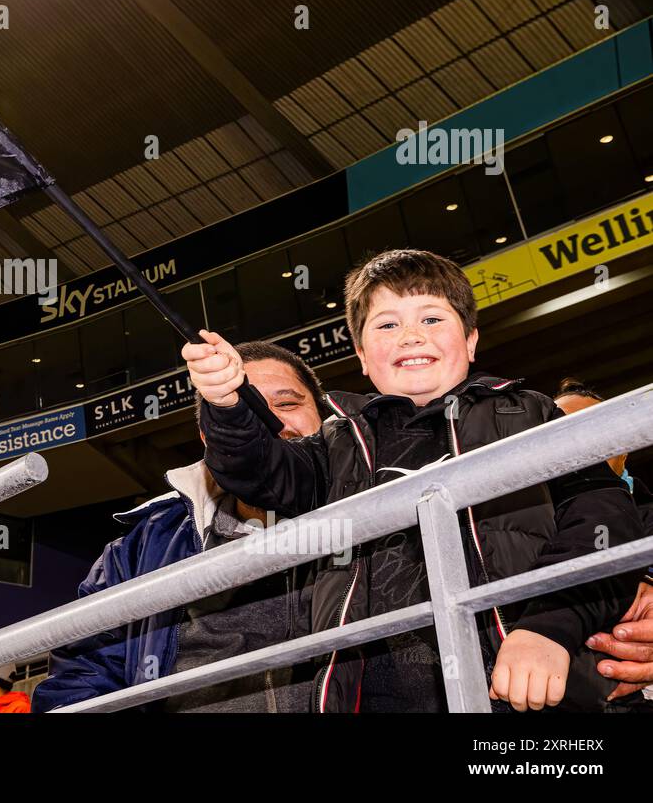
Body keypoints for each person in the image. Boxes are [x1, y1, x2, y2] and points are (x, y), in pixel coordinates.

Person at [185, 248, 645, 712]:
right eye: (386, 325)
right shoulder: (336, 442)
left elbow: (601, 520)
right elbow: (259, 472)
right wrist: (227, 404)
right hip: (371, 694)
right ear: (362, 357)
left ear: (469, 341)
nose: (409, 336)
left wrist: (548, 626)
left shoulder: (531, 415)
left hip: (517, 680)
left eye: (431, 319)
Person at [32, 342, 325, 713]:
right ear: (211, 438)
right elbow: (82, 671)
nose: (270, 423)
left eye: (287, 404)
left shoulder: (380, 504)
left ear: (325, 417)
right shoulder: (140, 548)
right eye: (242, 410)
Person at [553, 379, 653, 705]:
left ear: (624, 448)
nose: (579, 446)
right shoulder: (522, 521)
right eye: (559, 430)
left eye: (593, 430)